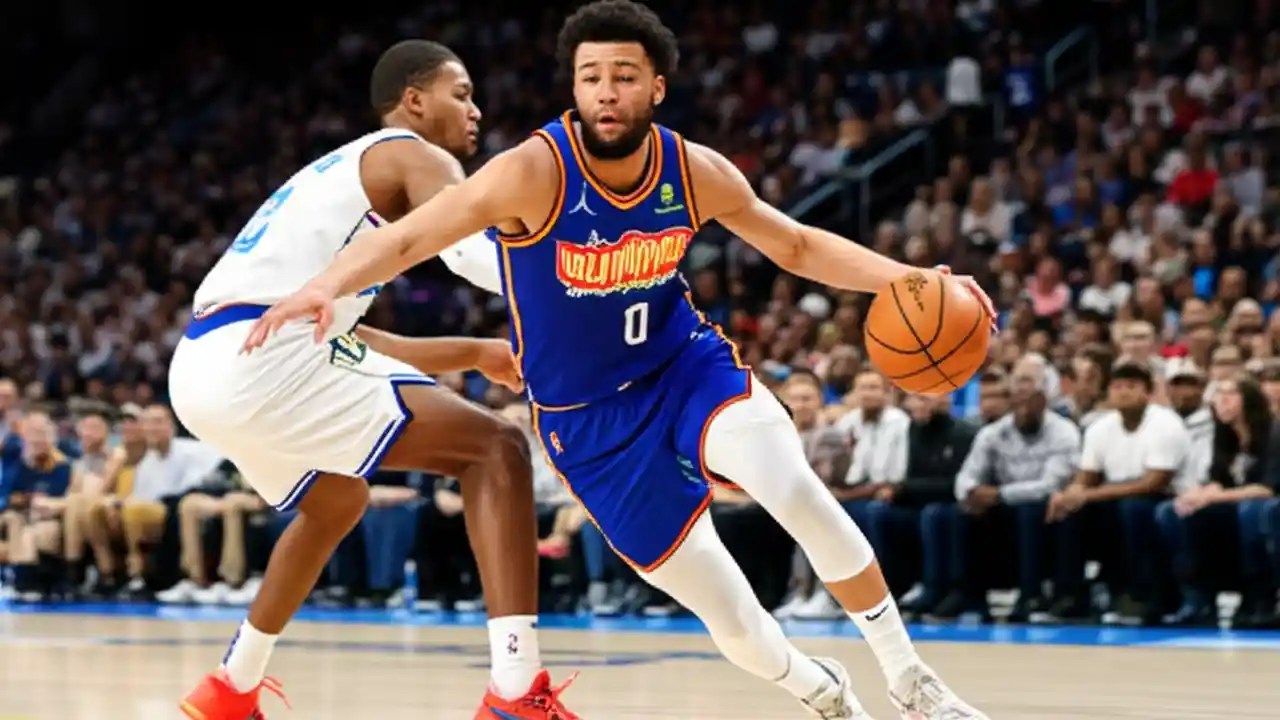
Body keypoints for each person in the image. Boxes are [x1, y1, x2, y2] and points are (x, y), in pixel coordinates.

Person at [246, 3, 994, 718]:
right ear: (574, 86)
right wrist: (325, 284)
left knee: (787, 481)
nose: (607, 91)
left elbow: (794, 245)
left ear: (656, 87)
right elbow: (410, 238)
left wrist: (909, 278)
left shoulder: (692, 169)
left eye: (625, 75)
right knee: (734, 621)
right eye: (592, 75)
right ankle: (822, 692)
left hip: (684, 366)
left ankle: (909, 679)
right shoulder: (531, 172)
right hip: (589, 424)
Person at [168, 40, 578, 720]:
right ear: (414, 101)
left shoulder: (332, 176)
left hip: (206, 366)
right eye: (462, 93)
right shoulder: (413, 153)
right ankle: (515, 694)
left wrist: (473, 350)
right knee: (495, 448)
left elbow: (343, 340)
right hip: (268, 360)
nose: (475, 110)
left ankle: (230, 688)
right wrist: (578, 288)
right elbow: (468, 248)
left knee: (336, 502)